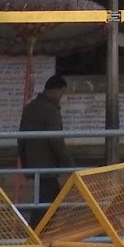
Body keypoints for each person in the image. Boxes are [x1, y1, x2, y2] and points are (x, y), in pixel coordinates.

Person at [18, 75, 71, 211]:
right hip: (48, 167)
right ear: (56, 90)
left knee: (44, 203)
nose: (61, 97)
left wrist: (25, 164)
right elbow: (57, 141)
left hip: (33, 165)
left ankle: (38, 230)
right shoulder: (51, 111)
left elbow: (21, 139)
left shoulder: (29, 109)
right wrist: (69, 166)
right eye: (62, 93)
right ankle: (38, 231)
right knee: (48, 206)